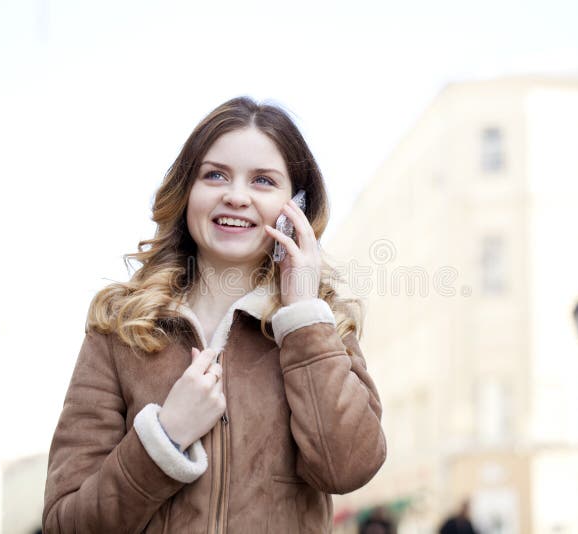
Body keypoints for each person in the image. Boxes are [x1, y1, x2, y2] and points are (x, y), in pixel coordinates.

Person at [42, 96, 387, 533]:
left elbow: (348, 469)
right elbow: (64, 524)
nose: (236, 196)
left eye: (263, 181)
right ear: (187, 191)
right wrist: (164, 439)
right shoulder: (120, 327)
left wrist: (301, 315)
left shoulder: (324, 326)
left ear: (295, 205)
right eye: (215, 175)